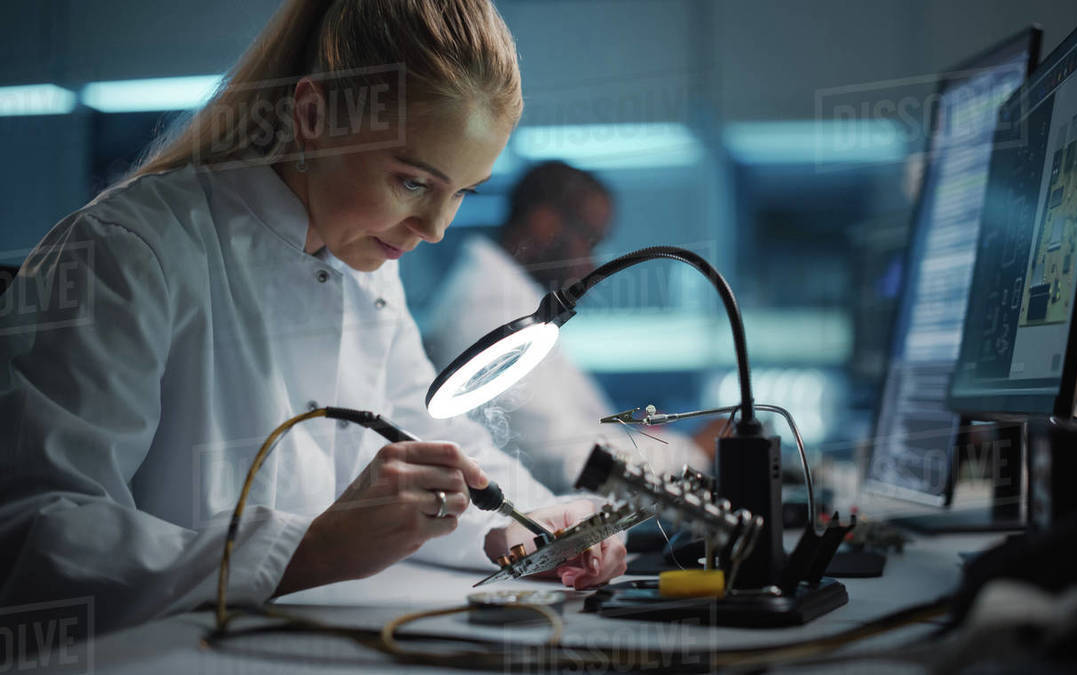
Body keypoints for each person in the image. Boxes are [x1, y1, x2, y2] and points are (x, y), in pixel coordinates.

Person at [0, 0, 625, 634]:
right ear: (312, 115)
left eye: (461, 192)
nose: (436, 230)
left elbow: (430, 446)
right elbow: (35, 536)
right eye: (412, 182)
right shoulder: (127, 252)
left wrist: (531, 523)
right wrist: (307, 550)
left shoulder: (369, 266)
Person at [425, 161, 717, 494]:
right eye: (591, 241)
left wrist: (654, 440)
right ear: (544, 224)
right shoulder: (486, 309)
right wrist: (693, 451)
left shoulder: (516, 305)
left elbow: (580, 435)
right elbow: (569, 461)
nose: (591, 264)